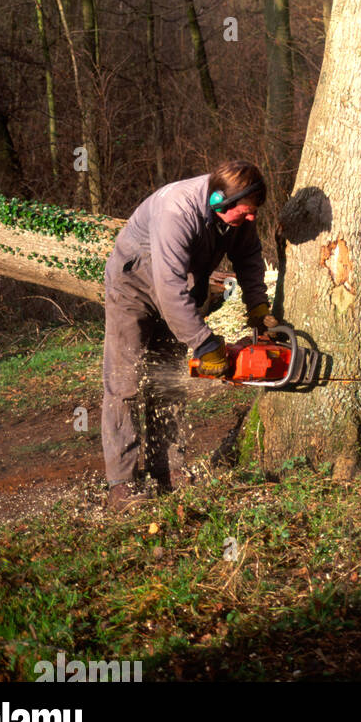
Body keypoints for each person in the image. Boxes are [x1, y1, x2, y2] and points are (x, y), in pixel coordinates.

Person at [101, 160, 273, 514]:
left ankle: (168, 469)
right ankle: (123, 484)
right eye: (248, 211)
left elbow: (250, 258)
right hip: (132, 289)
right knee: (125, 383)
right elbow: (168, 289)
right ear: (220, 201)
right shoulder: (176, 211)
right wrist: (205, 343)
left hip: (181, 291)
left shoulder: (236, 216)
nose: (253, 218)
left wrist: (258, 306)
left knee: (170, 384)